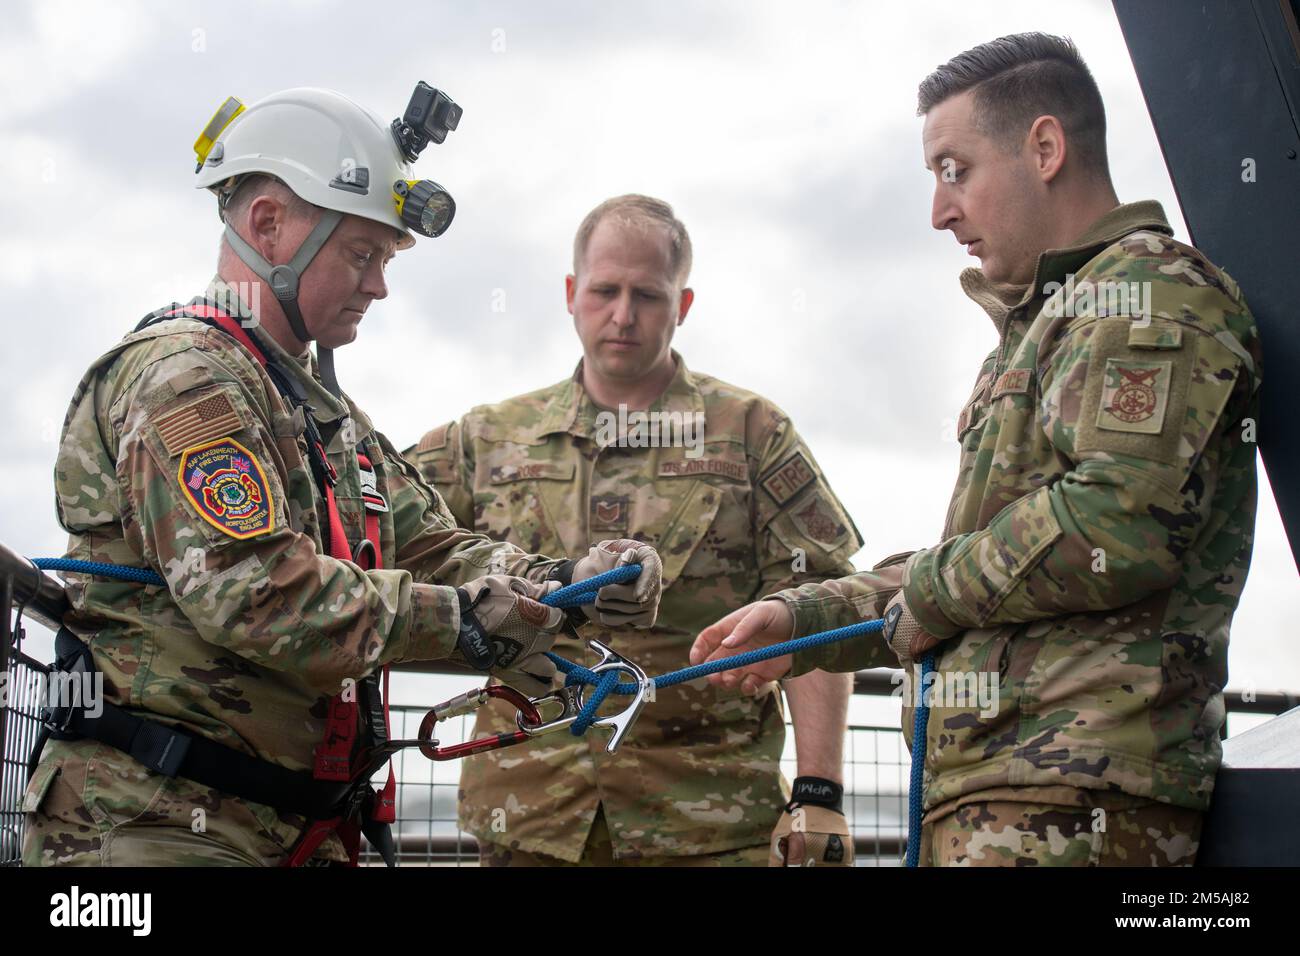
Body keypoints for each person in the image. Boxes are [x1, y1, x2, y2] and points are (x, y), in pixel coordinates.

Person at [22, 85, 662, 867]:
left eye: (385, 260)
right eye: (361, 255)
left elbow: (432, 548)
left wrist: (568, 584)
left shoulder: (320, 411)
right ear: (268, 225)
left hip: (291, 829)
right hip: (158, 823)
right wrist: (459, 619)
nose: (379, 285)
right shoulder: (185, 379)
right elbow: (254, 593)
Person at [691, 33, 1262, 867]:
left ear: (1045, 148)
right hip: (1001, 793)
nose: (939, 211)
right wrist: (803, 620)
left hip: (1073, 803)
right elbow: (980, 564)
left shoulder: (1149, 293)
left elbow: (1115, 523)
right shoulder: (1053, 320)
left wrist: (926, 590)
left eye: (954, 170)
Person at [409, 195, 862, 866]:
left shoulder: (751, 433)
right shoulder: (484, 440)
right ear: (571, 294)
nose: (623, 315)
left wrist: (819, 790)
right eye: (605, 291)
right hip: (529, 814)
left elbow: (817, 608)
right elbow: (393, 545)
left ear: (683, 305)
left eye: (647, 295)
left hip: (706, 816)